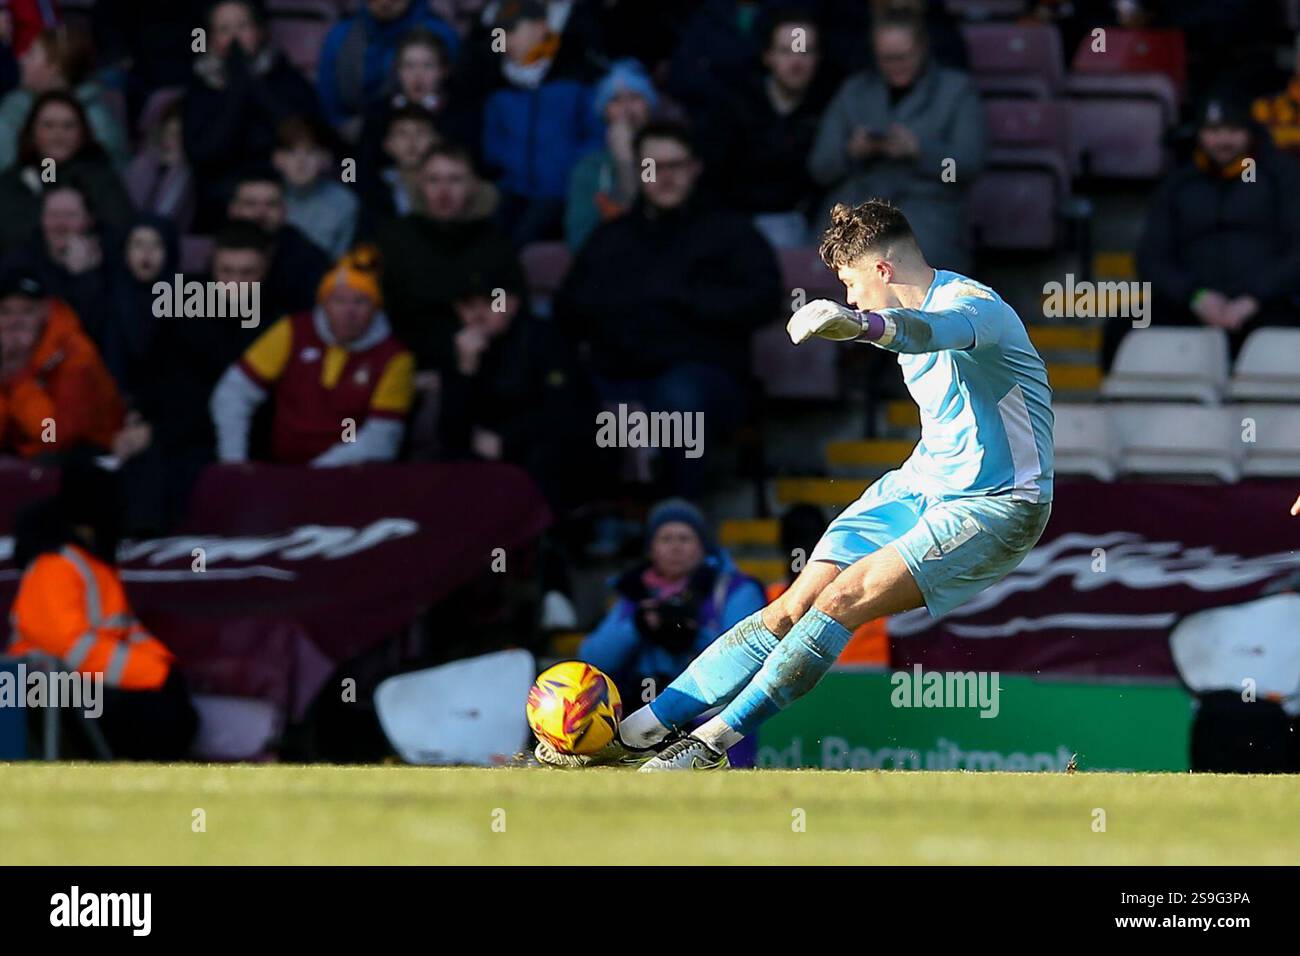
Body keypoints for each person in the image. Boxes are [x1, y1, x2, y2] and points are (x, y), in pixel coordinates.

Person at [538, 200, 1054, 770]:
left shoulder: (975, 306)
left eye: (852, 283)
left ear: (881, 269)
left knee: (840, 602)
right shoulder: (906, 311)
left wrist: (860, 325)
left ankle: (708, 745)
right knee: (791, 606)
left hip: (999, 504)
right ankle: (637, 729)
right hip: (919, 483)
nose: (851, 297)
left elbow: (930, 332)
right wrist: (865, 325)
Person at [555, 121, 781, 496]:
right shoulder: (612, 237)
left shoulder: (731, 233)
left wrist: (687, 299)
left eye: (675, 166)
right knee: (559, 394)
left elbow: (762, 301)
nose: (664, 177)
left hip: (704, 379)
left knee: (678, 399)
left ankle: (678, 522)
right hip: (618, 376)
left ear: (694, 168)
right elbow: (570, 309)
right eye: (652, 167)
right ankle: (587, 528)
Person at [7, 463, 198, 760]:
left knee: (168, 705)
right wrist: (151, 673)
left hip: (77, 684)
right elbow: (68, 647)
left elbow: (127, 631)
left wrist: (163, 669)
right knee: (153, 713)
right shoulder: (54, 564)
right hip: (39, 688)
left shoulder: (94, 565)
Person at [1125, 94, 1300, 368]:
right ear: (1200, 134)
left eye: (1233, 130)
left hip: (1267, 304)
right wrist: (1196, 297)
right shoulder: (1178, 183)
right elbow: (1150, 258)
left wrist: (1253, 297)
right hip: (1193, 304)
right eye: (1214, 131)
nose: (1223, 141)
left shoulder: (1282, 176)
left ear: (1250, 133)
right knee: (1123, 325)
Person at [808, 12, 985, 272]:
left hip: (928, 213)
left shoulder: (957, 91)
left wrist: (918, 151)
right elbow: (820, 168)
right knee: (826, 260)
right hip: (857, 207)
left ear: (922, 49)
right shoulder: (855, 91)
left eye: (903, 56)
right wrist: (852, 152)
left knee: (910, 270)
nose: (896, 65)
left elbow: (969, 165)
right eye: (887, 58)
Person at [210, 247, 415, 465]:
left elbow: (382, 439)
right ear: (324, 303)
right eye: (339, 300)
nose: (349, 311)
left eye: (360, 301)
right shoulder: (294, 331)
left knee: (351, 432)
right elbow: (233, 393)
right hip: (279, 468)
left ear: (376, 307)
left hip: (349, 476)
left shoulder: (393, 357)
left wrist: (315, 476)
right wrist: (233, 461)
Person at [579, 498, 765, 701]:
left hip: (712, 719)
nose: (675, 547)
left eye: (684, 538)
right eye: (665, 539)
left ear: (702, 547)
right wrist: (637, 626)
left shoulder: (735, 590)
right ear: (651, 550)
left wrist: (692, 632)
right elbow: (591, 660)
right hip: (640, 713)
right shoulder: (634, 592)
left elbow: (749, 658)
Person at [377, 142, 523, 371]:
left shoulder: (493, 240)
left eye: (455, 179)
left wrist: (492, 316)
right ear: (420, 185)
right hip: (405, 355)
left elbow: (504, 289)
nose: (443, 191)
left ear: (473, 185)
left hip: (483, 349)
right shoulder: (394, 238)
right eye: (433, 180)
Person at [181, 0, 322, 231]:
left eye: (243, 26)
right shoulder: (201, 87)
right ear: (212, 39)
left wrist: (253, 84)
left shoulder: (286, 78)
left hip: (288, 193)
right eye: (224, 30)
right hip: (223, 202)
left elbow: (304, 136)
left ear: (260, 31)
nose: (235, 38)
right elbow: (204, 153)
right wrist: (238, 88)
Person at [699, 7, 834, 248]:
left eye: (806, 51)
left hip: (805, 224)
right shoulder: (735, 104)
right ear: (768, 56)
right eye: (785, 51)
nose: (796, 62)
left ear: (818, 58)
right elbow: (713, 178)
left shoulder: (830, 105)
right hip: (736, 220)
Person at [480, 0, 602, 245]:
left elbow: (595, 134)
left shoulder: (575, 80)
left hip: (561, 192)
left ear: (540, 28)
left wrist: (572, 170)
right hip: (514, 190)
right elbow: (492, 146)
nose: (505, 40)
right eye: (499, 33)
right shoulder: (498, 89)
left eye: (512, 31)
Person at [0, 268, 125, 459]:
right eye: (6, 311)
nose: (15, 322)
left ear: (46, 311)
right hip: (32, 451)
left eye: (27, 311)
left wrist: (18, 380)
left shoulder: (76, 355)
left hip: (93, 457)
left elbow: (53, 437)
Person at [0, 89, 133, 254]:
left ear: (82, 133)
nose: (58, 134)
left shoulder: (102, 179)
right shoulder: (13, 180)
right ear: (32, 133)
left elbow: (120, 233)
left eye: (68, 126)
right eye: (48, 125)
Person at [317, 0, 459, 133]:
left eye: (427, 65)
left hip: (435, 133)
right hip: (351, 140)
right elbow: (330, 107)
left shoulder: (441, 36)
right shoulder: (340, 37)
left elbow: (456, 98)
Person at [0, 24, 130, 169]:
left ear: (54, 67)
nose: (22, 59)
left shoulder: (96, 124)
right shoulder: (16, 106)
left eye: (31, 54)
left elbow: (110, 181)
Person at [564, 57, 657, 251]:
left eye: (636, 97)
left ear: (649, 106)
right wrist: (624, 162)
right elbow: (580, 242)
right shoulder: (590, 168)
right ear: (604, 112)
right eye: (616, 100)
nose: (627, 109)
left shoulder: (670, 158)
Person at [225, 170, 331, 320]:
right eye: (250, 204)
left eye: (271, 204)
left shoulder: (308, 258)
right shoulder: (214, 250)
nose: (260, 213)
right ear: (233, 209)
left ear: (284, 210)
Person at [271, 115, 359, 259]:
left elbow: (339, 262)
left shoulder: (343, 202)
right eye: (291, 152)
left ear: (326, 159)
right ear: (277, 159)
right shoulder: (263, 197)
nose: (301, 161)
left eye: (311, 151)